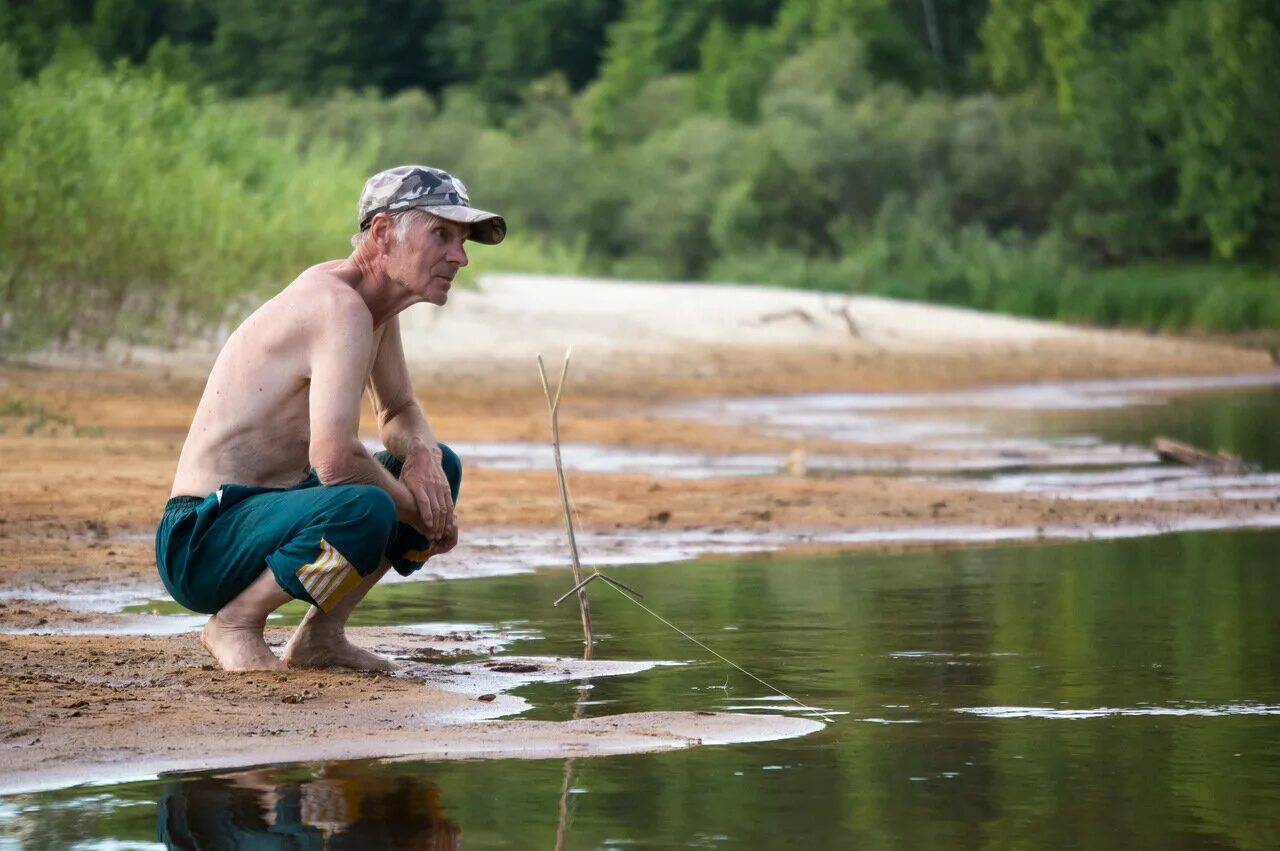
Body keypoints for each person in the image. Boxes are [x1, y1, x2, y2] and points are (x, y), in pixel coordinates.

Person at [154, 165, 505, 672]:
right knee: (366, 507)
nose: (460, 256)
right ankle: (235, 624)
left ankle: (321, 637)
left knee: (438, 469)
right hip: (202, 538)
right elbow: (336, 461)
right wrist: (422, 512)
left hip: (271, 512)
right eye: (442, 235)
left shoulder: (372, 308)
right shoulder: (337, 307)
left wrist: (425, 458)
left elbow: (398, 411)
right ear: (383, 233)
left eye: (463, 239)